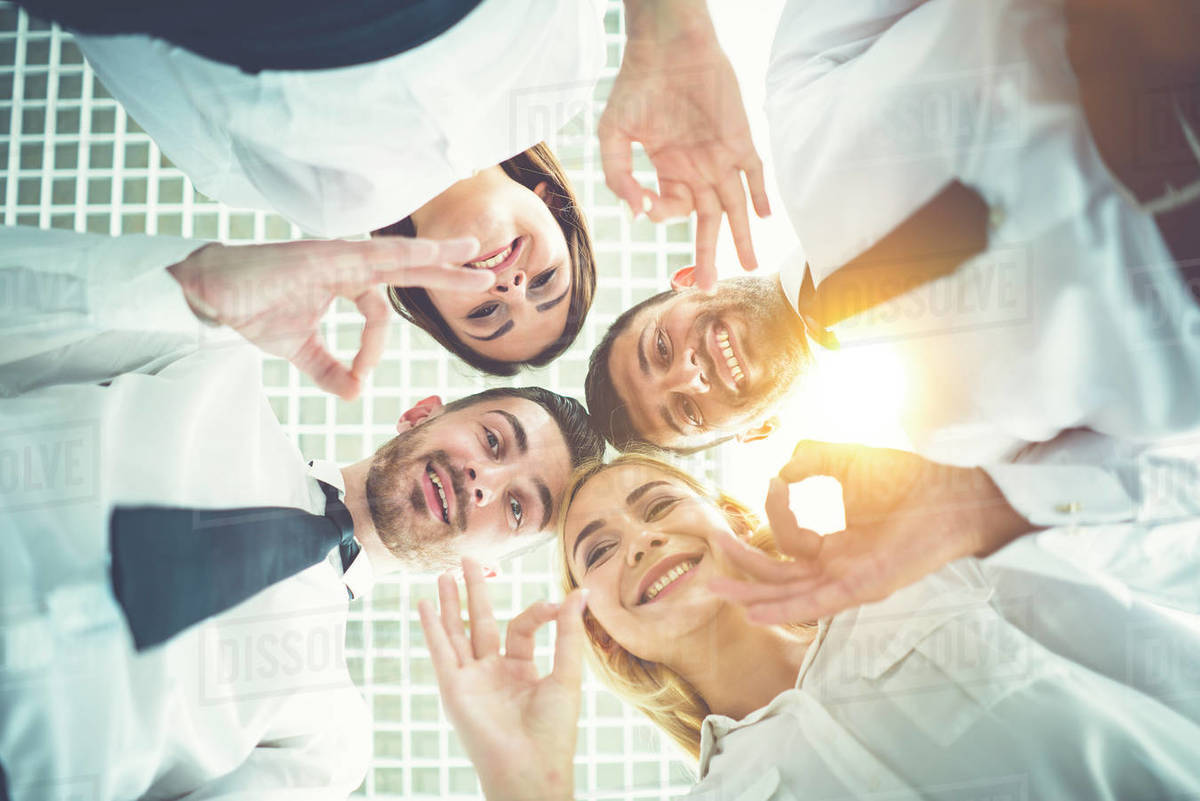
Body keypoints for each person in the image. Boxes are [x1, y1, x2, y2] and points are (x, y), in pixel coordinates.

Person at [0, 226, 605, 800]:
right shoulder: (210, 349)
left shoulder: (326, 742)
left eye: (518, 508)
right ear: (422, 412)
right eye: (495, 442)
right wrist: (195, 284)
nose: (485, 483)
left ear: (489, 570)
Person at [587, 0, 1200, 460]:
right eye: (688, 412)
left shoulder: (800, 93)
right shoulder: (957, 447)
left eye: (659, 349)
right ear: (754, 432)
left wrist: (668, 30)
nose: (689, 374)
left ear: (691, 278)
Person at [419, 452, 1200, 801]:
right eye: (599, 549)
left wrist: (979, 500)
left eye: (657, 507)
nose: (642, 540)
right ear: (604, 633)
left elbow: (1162, 648)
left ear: (729, 519)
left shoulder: (938, 574)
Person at [35, 0, 604, 376]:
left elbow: (133, 49)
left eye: (485, 313)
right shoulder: (568, 74)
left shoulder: (281, 195)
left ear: (421, 294)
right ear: (554, 206)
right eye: (546, 282)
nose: (512, 285)